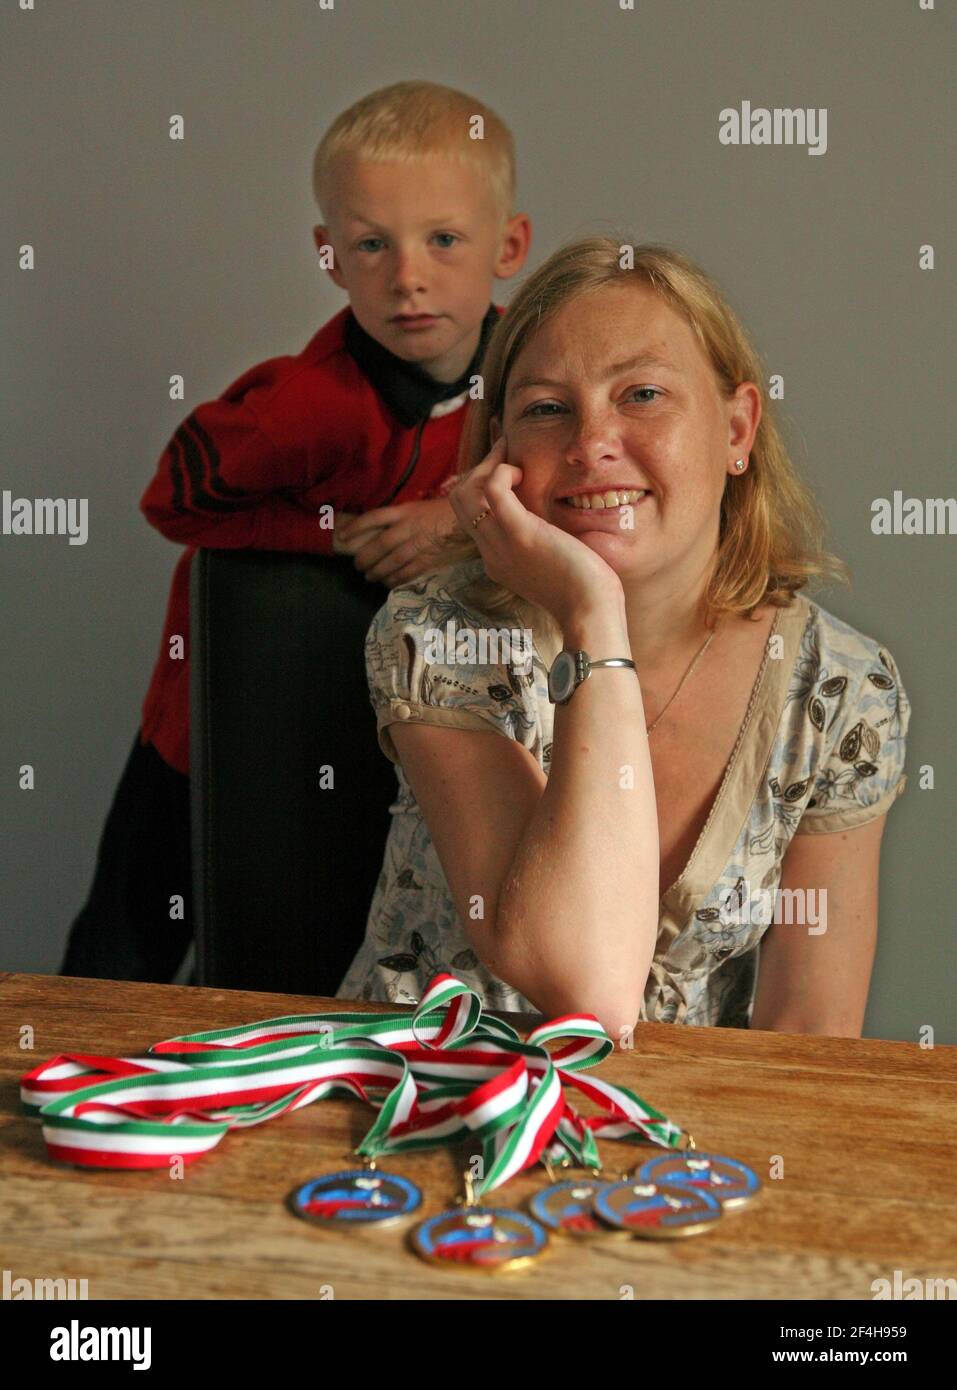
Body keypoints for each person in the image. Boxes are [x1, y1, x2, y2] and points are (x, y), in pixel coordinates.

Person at [337, 235, 911, 1039]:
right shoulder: (438, 635)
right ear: (499, 450)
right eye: (545, 409)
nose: (589, 443)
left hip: (692, 1153)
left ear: (737, 429)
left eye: (641, 394)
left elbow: (810, 1033)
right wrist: (591, 613)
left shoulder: (839, 691)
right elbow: (582, 983)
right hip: (430, 1114)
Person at [59, 79, 531, 983]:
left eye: (443, 239)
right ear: (328, 257)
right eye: (370, 245)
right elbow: (173, 500)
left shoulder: (532, 388)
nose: (409, 277)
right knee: (130, 941)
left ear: (508, 245)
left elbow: (567, 502)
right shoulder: (299, 404)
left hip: (418, 728)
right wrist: (335, 531)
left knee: (343, 940)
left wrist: (456, 523)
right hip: (220, 721)